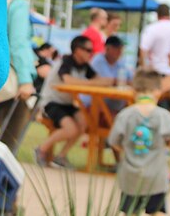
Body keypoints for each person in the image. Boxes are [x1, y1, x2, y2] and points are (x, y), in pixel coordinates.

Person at [108, 70, 170, 216]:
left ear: (133, 91)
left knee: (131, 211)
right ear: (158, 91)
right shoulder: (164, 116)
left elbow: (114, 142)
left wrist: (127, 148)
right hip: (156, 176)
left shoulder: (125, 115)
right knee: (158, 211)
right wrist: (164, 145)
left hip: (131, 177)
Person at [35, 35, 114, 167]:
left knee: (85, 122)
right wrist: (92, 83)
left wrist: (100, 82)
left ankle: (61, 156)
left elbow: (101, 80)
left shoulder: (83, 65)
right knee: (71, 129)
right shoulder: (66, 61)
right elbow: (67, 80)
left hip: (67, 104)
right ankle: (41, 149)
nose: (91, 53)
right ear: (78, 50)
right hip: (51, 102)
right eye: (88, 50)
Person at [0, 0, 39, 151]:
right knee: (9, 145)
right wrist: (26, 80)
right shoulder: (19, 4)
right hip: (14, 80)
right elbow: (18, 44)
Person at [139, 4, 170, 75]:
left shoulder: (151, 29)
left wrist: (145, 70)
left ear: (157, 15)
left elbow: (143, 51)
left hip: (157, 72)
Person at [89, 35, 132, 114]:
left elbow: (131, 79)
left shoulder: (120, 63)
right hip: (96, 104)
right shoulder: (98, 60)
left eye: (121, 48)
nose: (119, 51)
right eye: (116, 48)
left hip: (114, 103)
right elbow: (106, 82)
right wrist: (118, 81)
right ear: (107, 48)